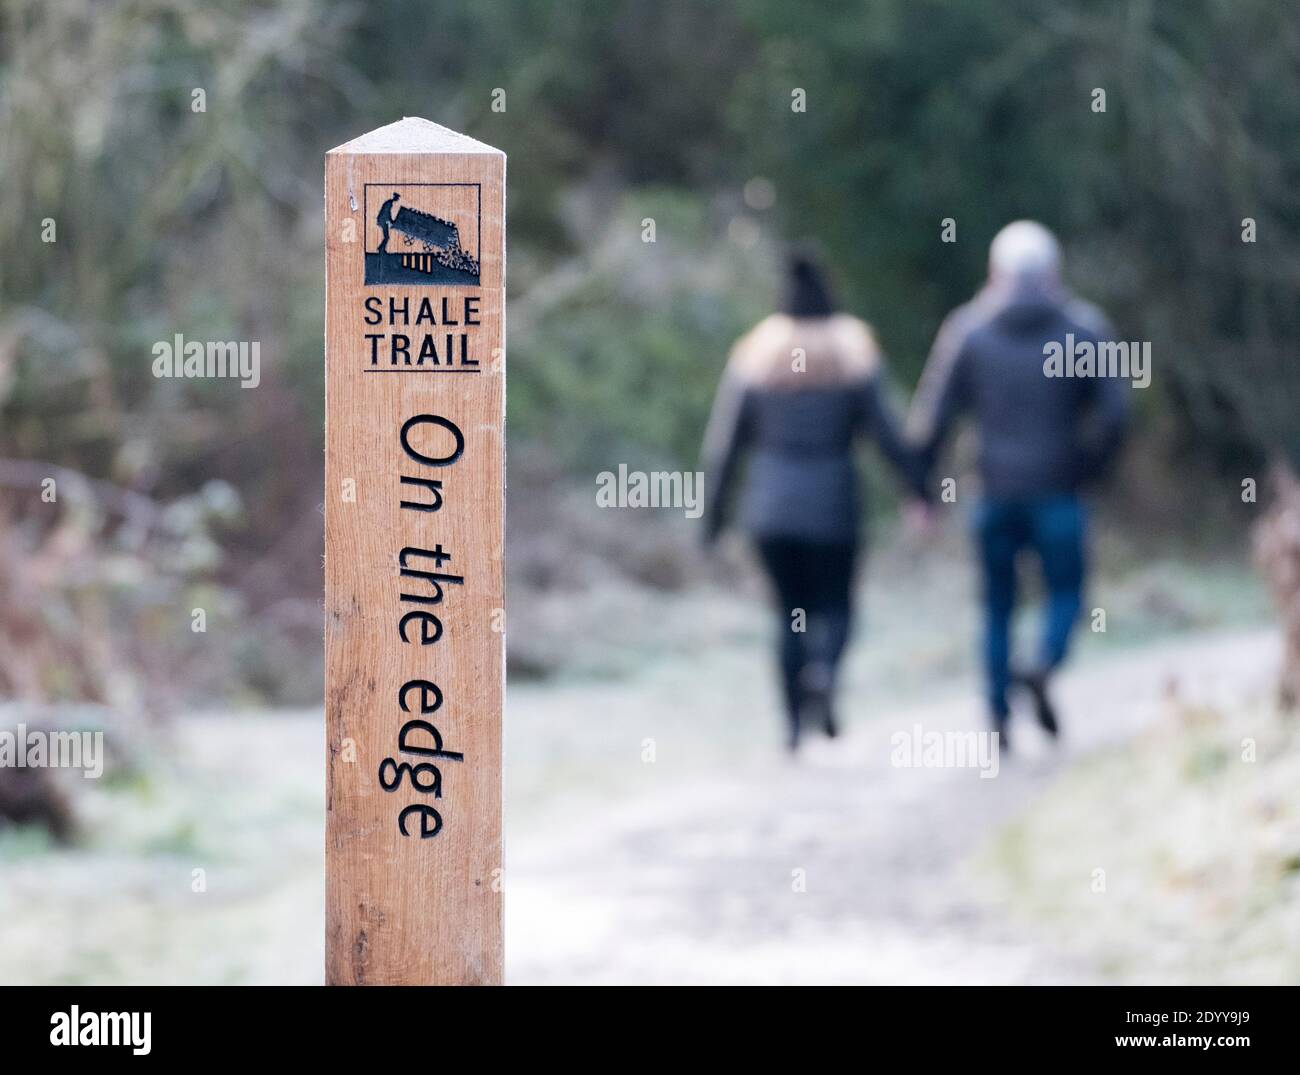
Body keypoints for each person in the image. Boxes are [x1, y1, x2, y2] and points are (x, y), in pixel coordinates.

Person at [908, 221, 1129, 749]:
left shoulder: (968, 330)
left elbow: (931, 420)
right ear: (1053, 272)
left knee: (997, 605)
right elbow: (1117, 415)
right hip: (1060, 492)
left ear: (994, 272)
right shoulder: (1085, 329)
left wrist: (922, 491)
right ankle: (1041, 663)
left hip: (993, 493)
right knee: (1068, 596)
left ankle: (997, 714)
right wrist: (1089, 469)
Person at [701, 251, 927, 752]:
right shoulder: (851, 355)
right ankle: (824, 671)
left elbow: (723, 449)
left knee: (787, 615)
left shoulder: (756, 357)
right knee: (837, 606)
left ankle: (791, 729)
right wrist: (919, 490)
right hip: (833, 509)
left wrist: (711, 522)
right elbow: (890, 437)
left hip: (771, 511)